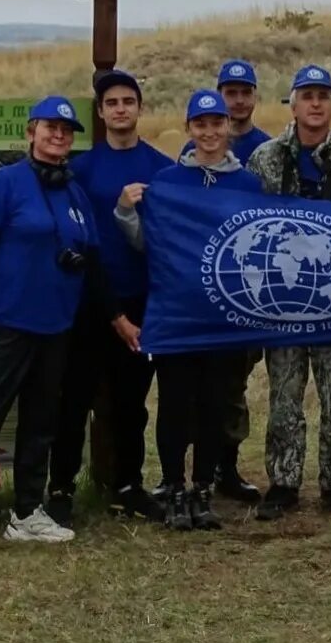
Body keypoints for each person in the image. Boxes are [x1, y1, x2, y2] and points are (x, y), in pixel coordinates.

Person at [0, 96, 133, 560]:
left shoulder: (74, 191)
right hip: (5, 322)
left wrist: (117, 316)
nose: (58, 136)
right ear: (31, 132)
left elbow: (93, 261)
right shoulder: (6, 184)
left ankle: (26, 512)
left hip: (55, 324)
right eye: (49, 128)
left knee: (42, 422)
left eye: (66, 130)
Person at [116, 89, 265, 530]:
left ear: (227, 128)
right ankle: (175, 488)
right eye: (200, 125)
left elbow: (261, 248)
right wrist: (125, 211)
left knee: (216, 404)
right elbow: (146, 243)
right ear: (189, 129)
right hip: (177, 313)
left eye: (216, 124)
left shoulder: (247, 185)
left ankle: (203, 489)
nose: (209, 132)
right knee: (175, 404)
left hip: (225, 315)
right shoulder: (168, 183)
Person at [246, 64, 331, 519]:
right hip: (282, 302)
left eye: (324, 95)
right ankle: (282, 483)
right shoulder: (264, 160)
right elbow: (247, 225)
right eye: (307, 95)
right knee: (284, 398)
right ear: (293, 104)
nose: (316, 103)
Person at [49, 70, 167, 526]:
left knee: (131, 402)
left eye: (128, 101)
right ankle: (60, 487)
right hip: (86, 302)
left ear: (139, 108)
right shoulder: (81, 169)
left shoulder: (161, 168)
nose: (121, 109)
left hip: (139, 302)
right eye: (112, 103)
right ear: (100, 112)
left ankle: (127, 486)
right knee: (74, 398)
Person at [178, 59, 269, 501]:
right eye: (229, 92)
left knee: (231, 386)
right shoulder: (183, 163)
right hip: (194, 295)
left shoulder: (266, 153)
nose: (237, 100)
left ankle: (225, 468)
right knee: (194, 389)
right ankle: (193, 476)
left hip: (241, 293)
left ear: (254, 96)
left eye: (243, 91)